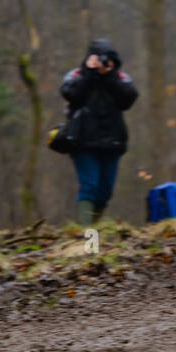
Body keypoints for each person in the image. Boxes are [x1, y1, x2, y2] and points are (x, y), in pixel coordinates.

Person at [61, 39, 138, 223]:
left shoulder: (119, 78)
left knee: (105, 191)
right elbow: (70, 94)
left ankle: (96, 228)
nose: (103, 62)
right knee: (89, 186)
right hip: (82, 141)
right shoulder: (77, 75)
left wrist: (109, 76)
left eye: (107, 58)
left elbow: (128, 99)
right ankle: (87, 234)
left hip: (112, 141)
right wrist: (89, 74)